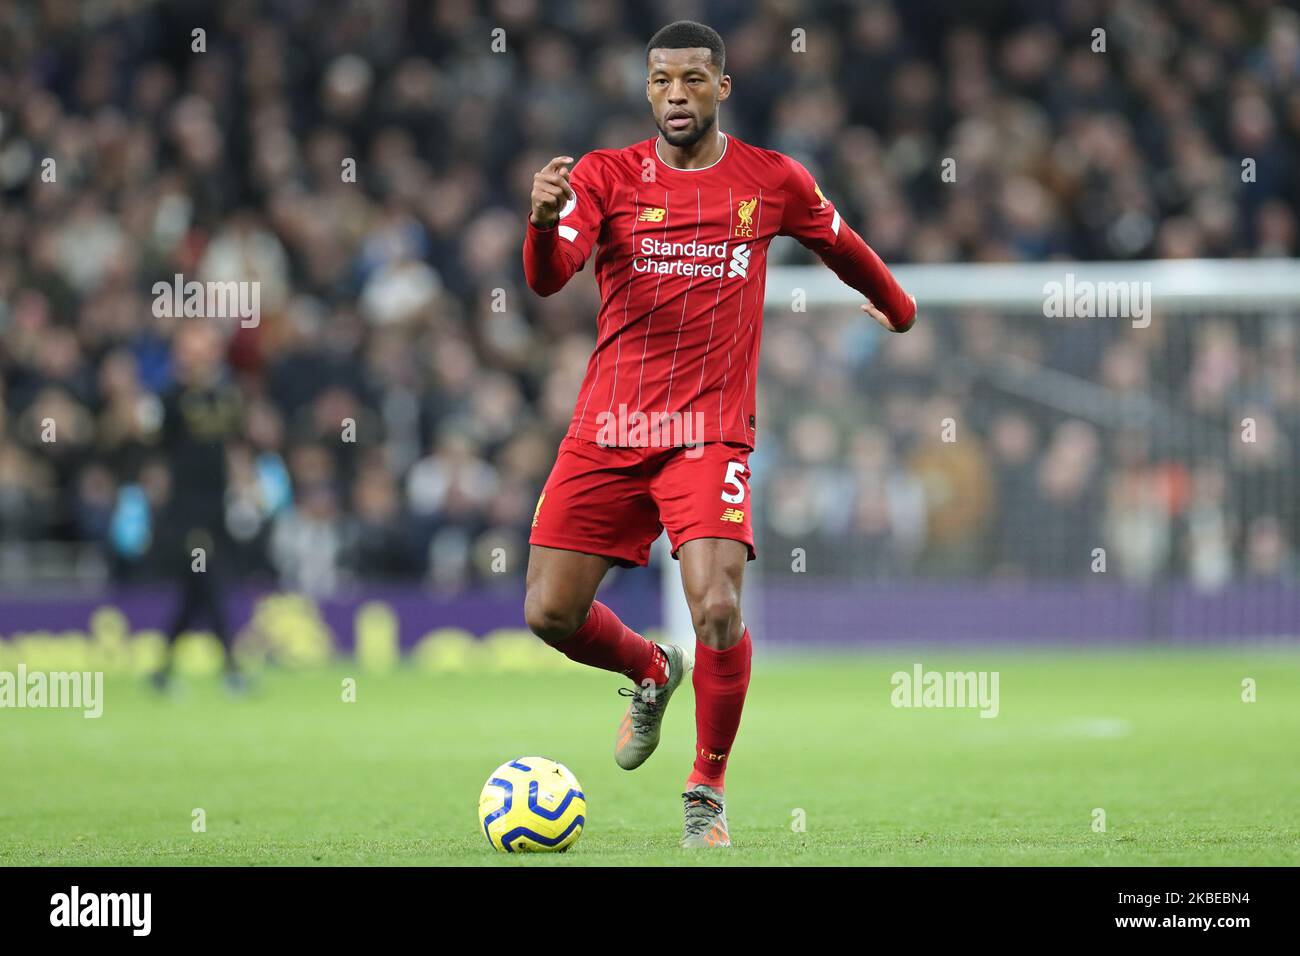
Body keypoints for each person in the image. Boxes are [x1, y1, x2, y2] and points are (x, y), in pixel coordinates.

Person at [521, 20, 916, 848]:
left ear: (721, 87)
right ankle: (650, 669)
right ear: (647, 88)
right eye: (662, 79)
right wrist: (542, 221)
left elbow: (841, 244)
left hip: (708, 431)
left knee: (718, 607)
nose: (676, 93)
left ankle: (706, 786)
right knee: (550, 615)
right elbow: (551, 277)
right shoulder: (603, 177)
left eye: (693, 79)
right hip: (612, 423)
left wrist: (900, 307)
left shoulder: (770, 180)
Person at [150, 321, 247, 693]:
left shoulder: (226, 396)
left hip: (217, 505)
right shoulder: (171, 399)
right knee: (209, 580)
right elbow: (156, 447)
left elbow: (234, 445)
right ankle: (232, 667)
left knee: (197, 591)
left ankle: (162, 670)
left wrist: (244, 487)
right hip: (186, 508)